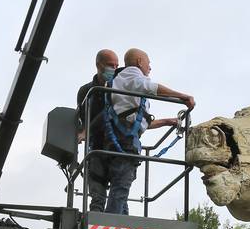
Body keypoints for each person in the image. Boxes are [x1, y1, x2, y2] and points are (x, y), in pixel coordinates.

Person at [102, 48, 196, 215]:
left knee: (123, 183)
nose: (150, 67)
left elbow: (136, 121)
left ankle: (121, 222)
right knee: (121, 185)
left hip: (120, 138)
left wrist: (167, 122)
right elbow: (151, 87)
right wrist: (182, 97)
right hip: (124, 141)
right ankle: (111, 222)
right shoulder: (132, 75)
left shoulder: (122, 81)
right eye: (148, 63)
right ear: (139, 61)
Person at [77, 49, 121, 212]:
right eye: (111, 65)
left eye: (117, 65)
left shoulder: (120, 89)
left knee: (119, 197)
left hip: (117, 147)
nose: (114, 69)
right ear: (98, 65)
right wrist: (85, 132)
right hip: (96, 148)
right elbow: (84, 119)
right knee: (97, 196)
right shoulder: (86, 91)